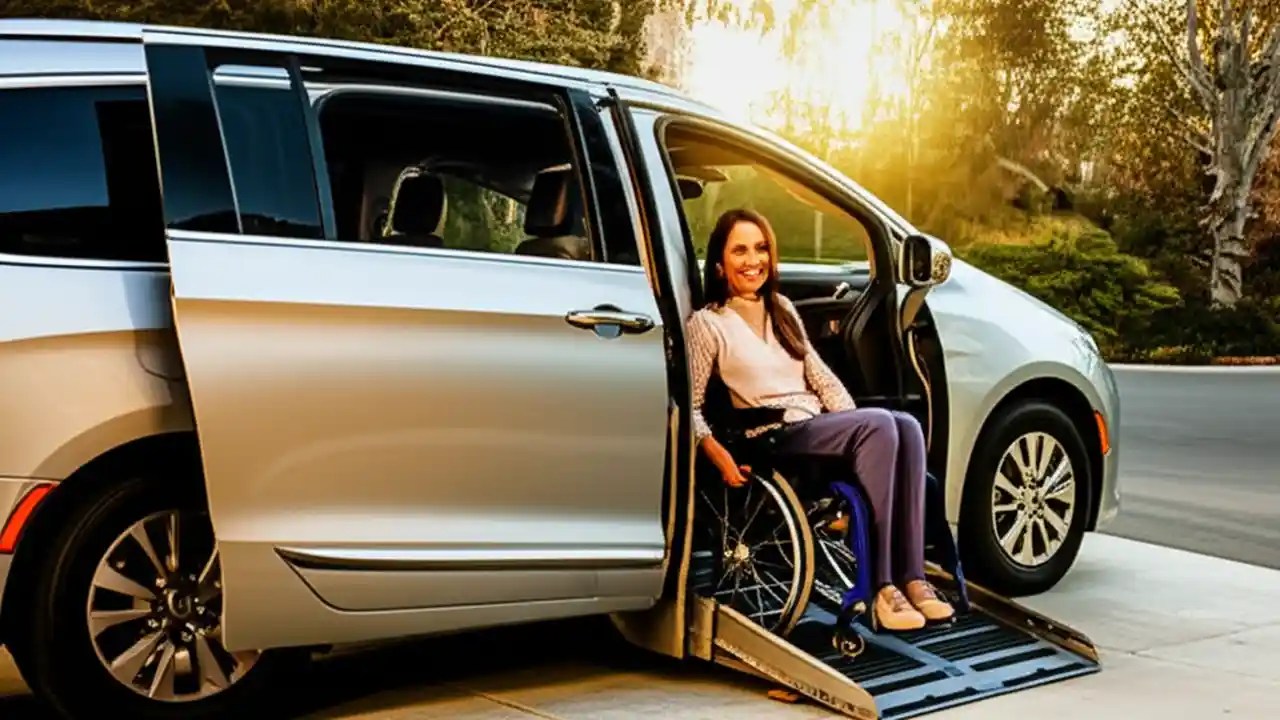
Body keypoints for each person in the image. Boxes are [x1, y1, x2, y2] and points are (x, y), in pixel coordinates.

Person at [685, 207, 954, 632]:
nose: (753, 260)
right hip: (771, 435)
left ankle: (914, 577)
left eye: (761, 249)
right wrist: (715, 451)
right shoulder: (707, 324)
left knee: (904, 424)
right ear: (719, 263)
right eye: (740, 251)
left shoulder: (783, 309)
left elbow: (823, 381)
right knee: (883, 425)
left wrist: (856, 430)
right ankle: (881, 587)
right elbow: (690, 405)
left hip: (812, 429)